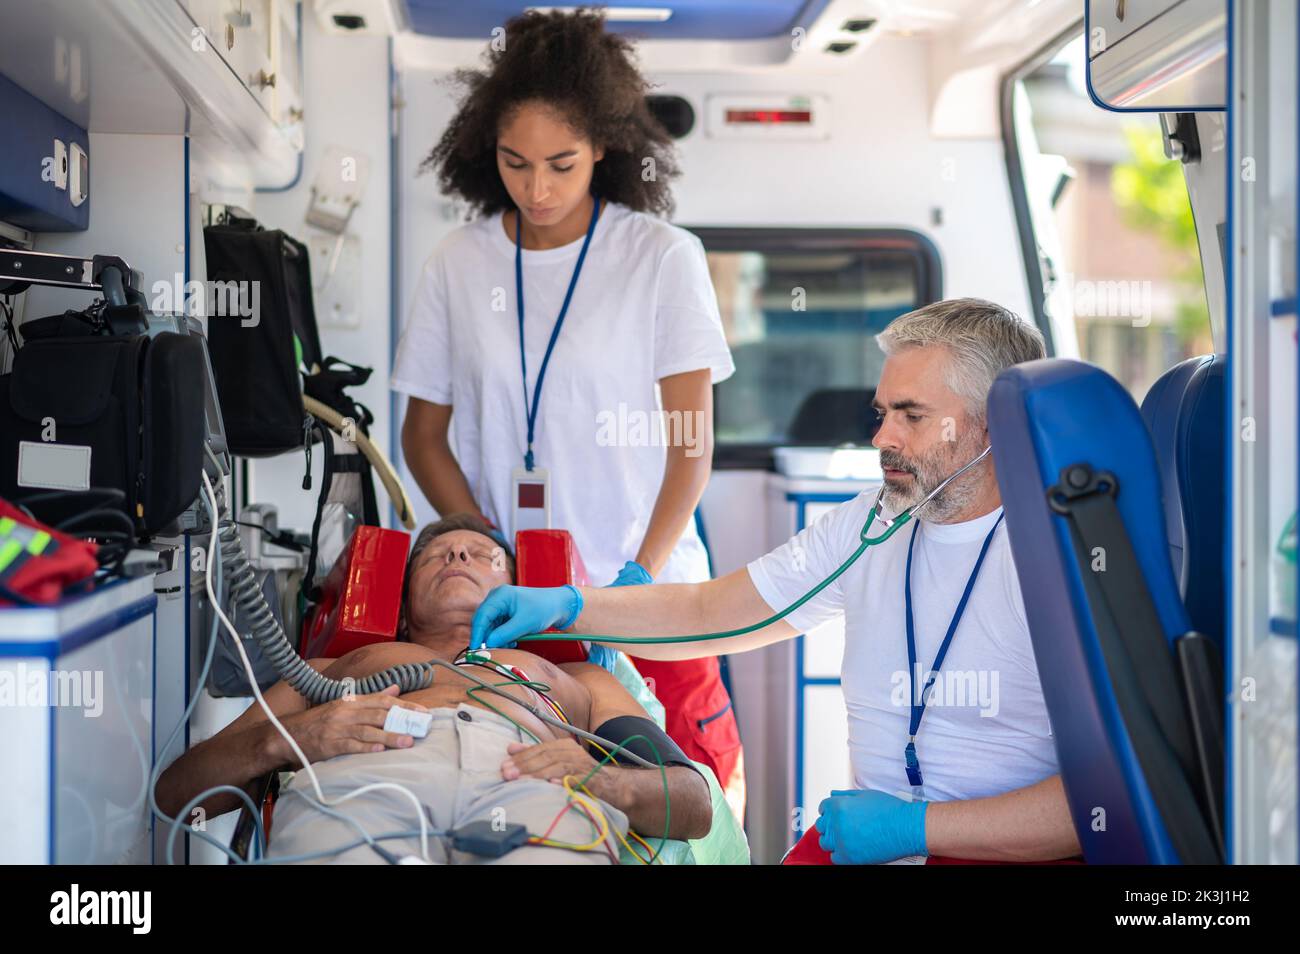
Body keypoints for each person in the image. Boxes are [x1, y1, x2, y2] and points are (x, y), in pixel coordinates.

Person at [470, 298, 1085, 864]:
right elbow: (711, 612)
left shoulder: (1056, 560)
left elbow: (1103, 807)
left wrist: (917, 829)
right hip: (878, 842)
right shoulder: (872, 521)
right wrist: (570, 608)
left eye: (911, 416)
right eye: (882, 412)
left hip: (995, 851)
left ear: (992, 426)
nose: (882, 438)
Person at [391, 9, 743, 815]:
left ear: (606, 148)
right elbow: (423, 435)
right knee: (529, 807)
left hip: (651, 605)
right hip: (513, 618)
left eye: (562, 163)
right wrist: (486, 549)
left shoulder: (660, 259)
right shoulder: (460, 262)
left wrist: (638, 578)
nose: (538, 188)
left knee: (690, 814)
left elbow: (691, 444)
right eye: (516, 163)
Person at [156, 514, 713, 864]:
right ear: (399, 607)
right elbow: (175, 795)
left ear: (520, 590)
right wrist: (287, 740)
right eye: (434, 555)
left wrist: (604, 780)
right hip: (364, 785)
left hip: (535, 787)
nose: (457, 555)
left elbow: (693, 804)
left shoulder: (579, 682)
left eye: (483, 555)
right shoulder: (333, 667)